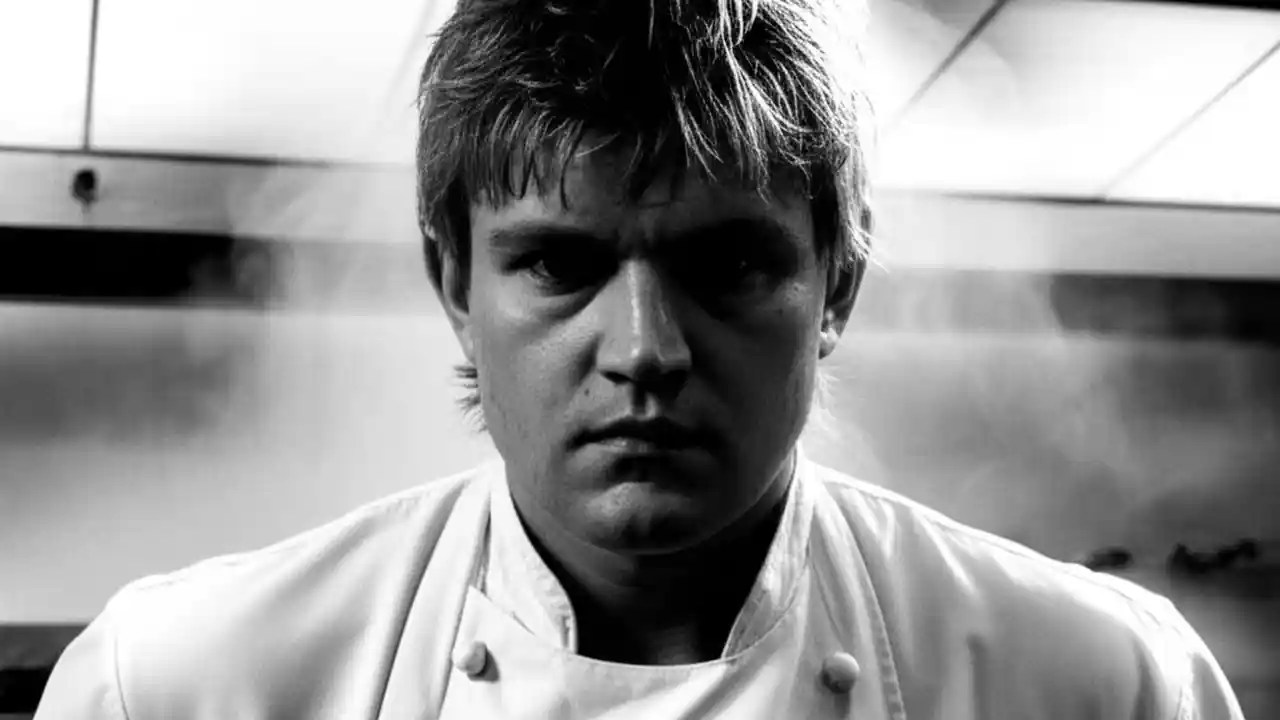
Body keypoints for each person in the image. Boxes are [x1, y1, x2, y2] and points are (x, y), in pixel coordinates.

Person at [36, 0, 1243, 717]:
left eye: (723, 267)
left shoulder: (1104, 683)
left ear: (836, 288)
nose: (644, 351)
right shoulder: (180, 683)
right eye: (561, 266)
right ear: (455, 283)